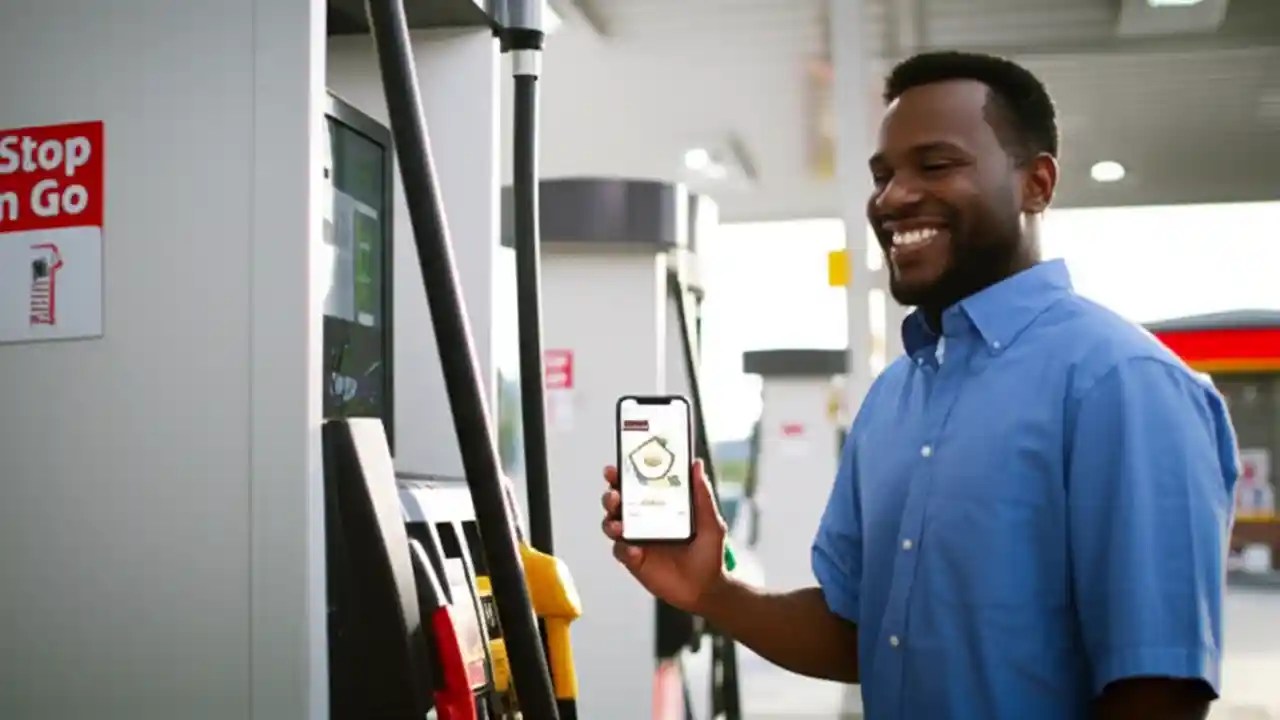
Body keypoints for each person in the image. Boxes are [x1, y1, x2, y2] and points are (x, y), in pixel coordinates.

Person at [600, 51, 1239, 720]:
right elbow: (858, 633)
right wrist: (713, 591)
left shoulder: (1126, 386)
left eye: (935, 165)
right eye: (883, 174)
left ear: (1037, 184)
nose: (893, 197)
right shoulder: (896, 396)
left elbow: (1158, 690)